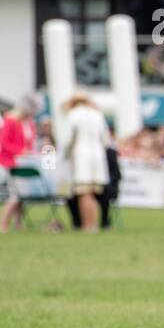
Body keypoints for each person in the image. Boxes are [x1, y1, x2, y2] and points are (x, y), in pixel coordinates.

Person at [63, 92, 111, 233]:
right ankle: (93, 224)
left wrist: (64, 157)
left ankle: (87, 226)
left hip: (81, 157)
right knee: (94, 193)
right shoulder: (98, 115)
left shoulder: (73, 115)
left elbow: (67, 141)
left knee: (84, 193)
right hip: (98, 158)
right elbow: (106, 140)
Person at [0, 94, 40, 232]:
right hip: (11, 162)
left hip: (26, 162)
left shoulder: (30, 123)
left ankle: (18, 223)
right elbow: (4, 143)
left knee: (22, 194)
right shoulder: (10, 121)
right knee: (16, 194)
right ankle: (3, 224)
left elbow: (31, 142)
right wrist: (20, 151)